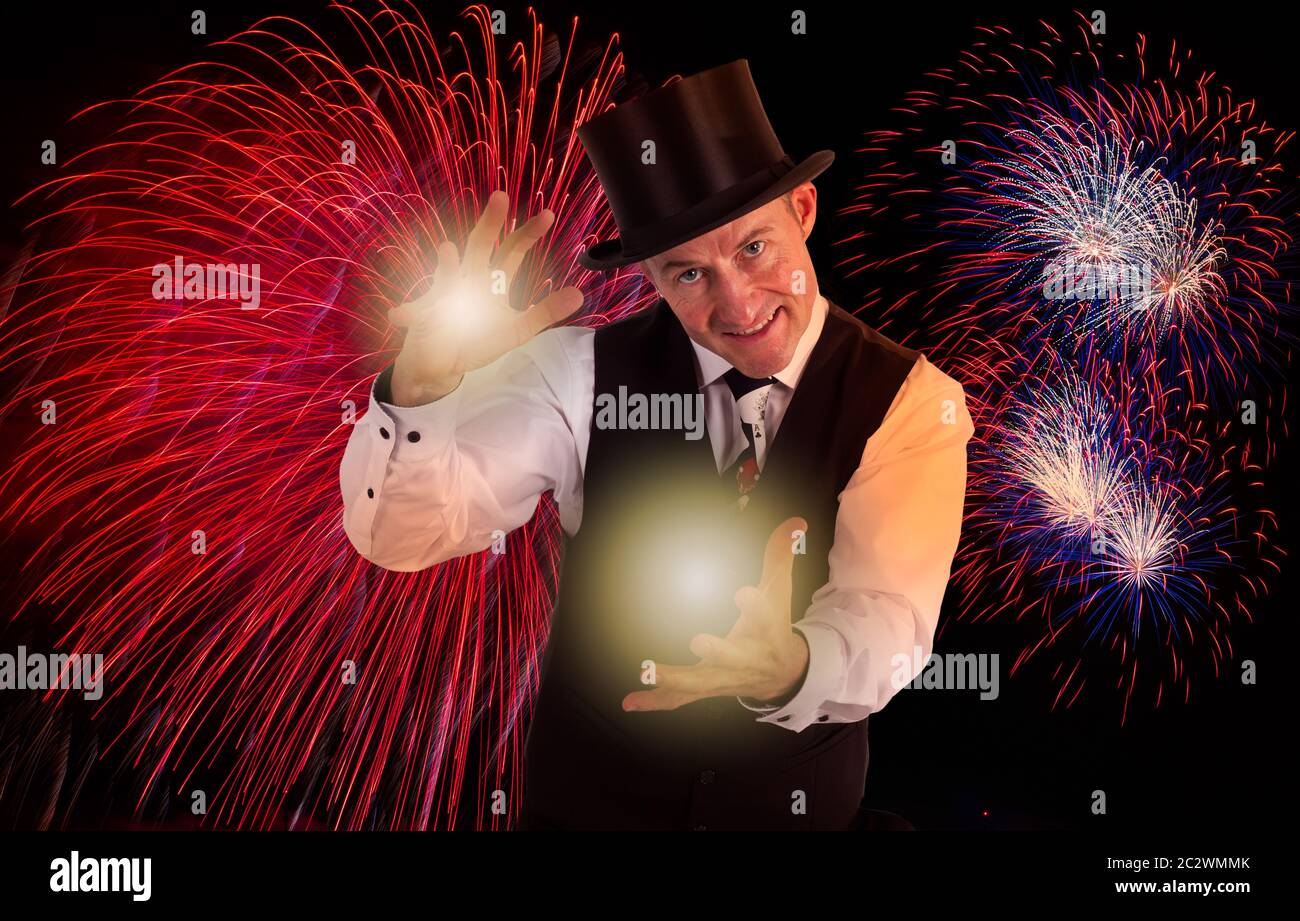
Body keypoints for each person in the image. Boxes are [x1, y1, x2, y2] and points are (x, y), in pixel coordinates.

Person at [339, 59, 973, 830]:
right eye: (689, 273)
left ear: (803, 209)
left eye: (753, 249)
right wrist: (420, 390)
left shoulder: (913, 401)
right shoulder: (575, 372)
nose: (737, 304)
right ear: (650, 275)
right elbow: (400, 537)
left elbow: (889, 621)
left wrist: (792, 669)